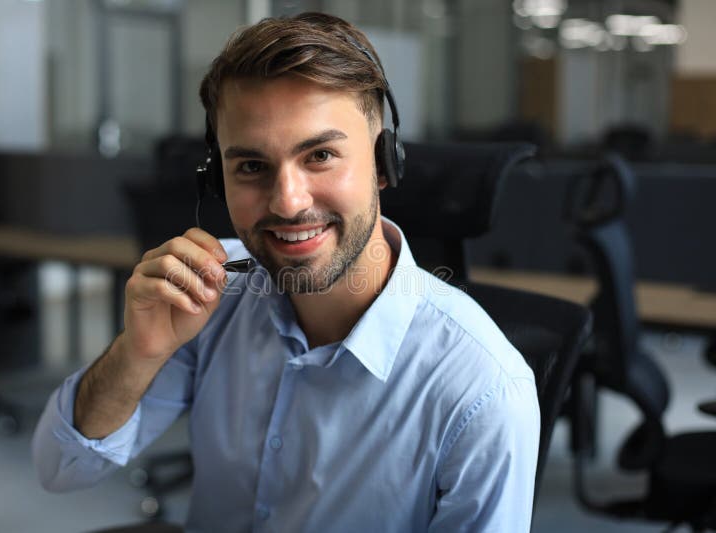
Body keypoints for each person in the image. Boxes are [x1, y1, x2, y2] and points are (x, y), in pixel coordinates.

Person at [32, 12, 540, 532]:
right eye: (252, 166)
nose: (288, 202)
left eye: (320, 155)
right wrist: (137, 352)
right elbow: (62, 468)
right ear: (218, 179)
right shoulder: (216, 290)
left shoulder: (483, 391)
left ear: (384, 163)